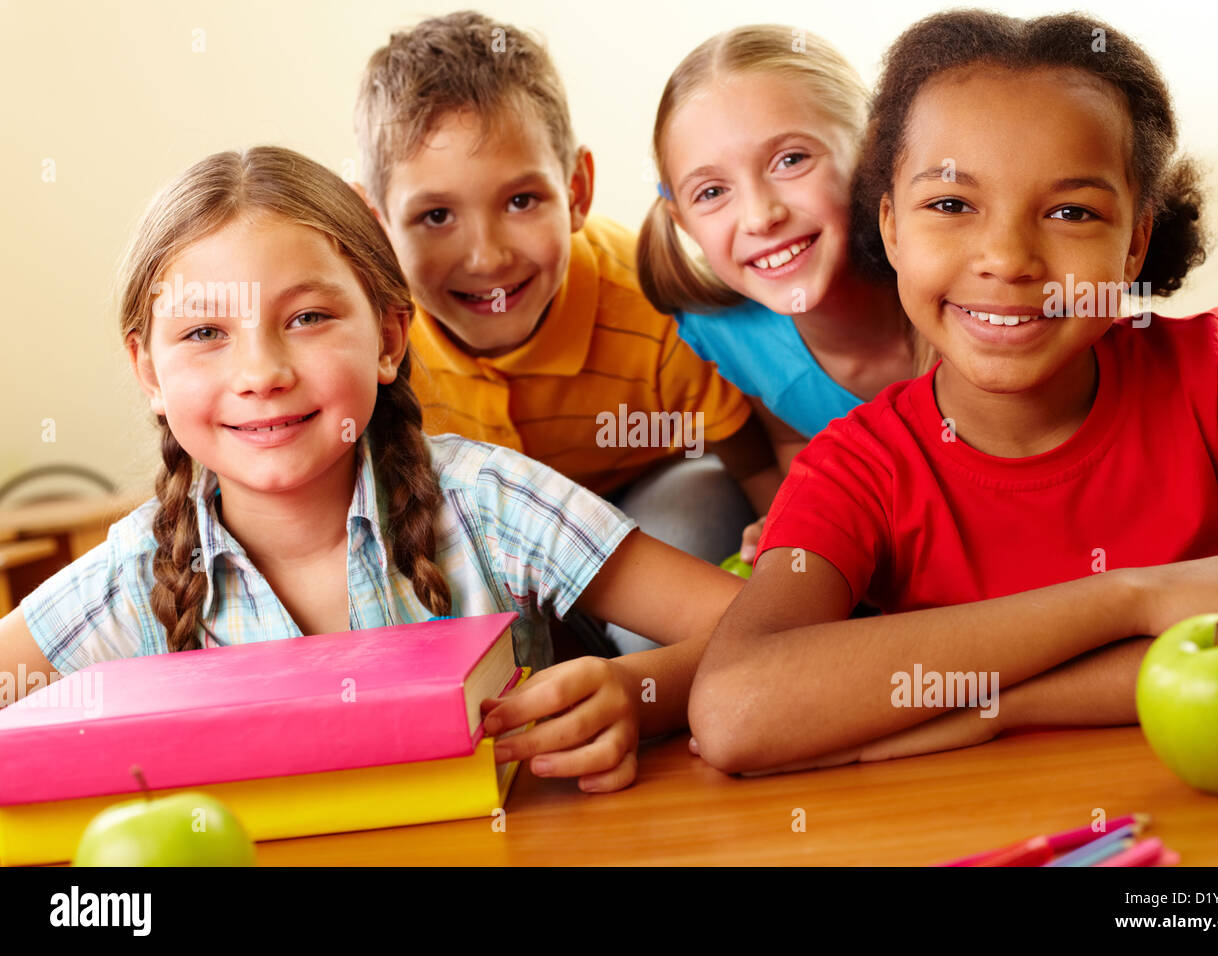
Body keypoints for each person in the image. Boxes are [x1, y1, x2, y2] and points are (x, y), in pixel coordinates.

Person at [0, 146, 745, 794]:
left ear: (389, 338)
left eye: (307, 319)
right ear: (149, 371)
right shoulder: (136, 573)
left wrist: (636, 694)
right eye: (204, 333)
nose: (261, 372)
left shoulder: (489, 502)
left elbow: (761, 629)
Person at [689, 10, 1218, 775]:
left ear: (1135, 241)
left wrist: (996, 704)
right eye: (950, 205)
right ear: (891, 225)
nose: (1009, 259)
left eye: (1072, 212)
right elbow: (738, 708)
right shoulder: (856, 466)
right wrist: (1136, 597)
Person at [352, 12, 782, 651]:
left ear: (577, 189)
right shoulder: (375, 340)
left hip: (643, 506)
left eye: (521, 201)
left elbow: (754, 465)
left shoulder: (652, 304)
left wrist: (781, 545)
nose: (487, 257)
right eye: (436, 215)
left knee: (680, 548)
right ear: (378, 223)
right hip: (492, 538)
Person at [637, 24, 937, 561]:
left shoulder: (959, 286)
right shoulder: (727, 332)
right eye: (712, 192)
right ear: (682, 221)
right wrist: (793, 525)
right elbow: (795, 439)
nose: (759, 215)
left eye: (791, 160)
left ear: (874, 151)